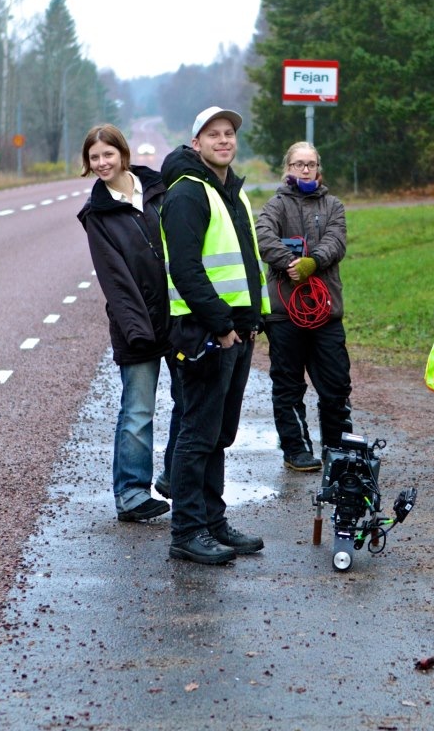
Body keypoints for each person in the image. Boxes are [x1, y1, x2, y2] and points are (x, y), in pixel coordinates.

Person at [160, 106, 270, 565]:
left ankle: (212, 520)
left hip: (237, 332)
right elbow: (185, 270)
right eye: (214, 134)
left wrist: (250, 323)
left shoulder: (231, 191)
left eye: (229, 134)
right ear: (196, 143)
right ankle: (187, 530)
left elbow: (242, 264)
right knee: (197, 433)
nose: (224, 141)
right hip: (203, 332)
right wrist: (222, 326)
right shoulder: (187, 194)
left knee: (219, 433)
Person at [78, 124, 183, 522]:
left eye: (108, 154)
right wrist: (139, 331)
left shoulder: (159, 190)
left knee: (189, 400)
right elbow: (116, 281)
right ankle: (132, 493)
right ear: (88, 164)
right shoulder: (97, 216)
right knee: (138, 410)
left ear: (122, 153)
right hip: (135, 325)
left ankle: (175, 476)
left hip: (178, 317)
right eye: (94, 158)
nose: (102, 163)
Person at [255, 141, 353, 472]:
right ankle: (296, 449)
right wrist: (291, 264)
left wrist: (313, 262)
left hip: (326, 311)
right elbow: (264, 240)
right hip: (284, 313)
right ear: (288, 168)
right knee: (288, 384)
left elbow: (337, 240)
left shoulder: (334, 205)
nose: (306, 169)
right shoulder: (274, 206)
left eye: (310, 164)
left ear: (319, 168)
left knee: (336, 384)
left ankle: (338, 448)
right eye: (299, 164)